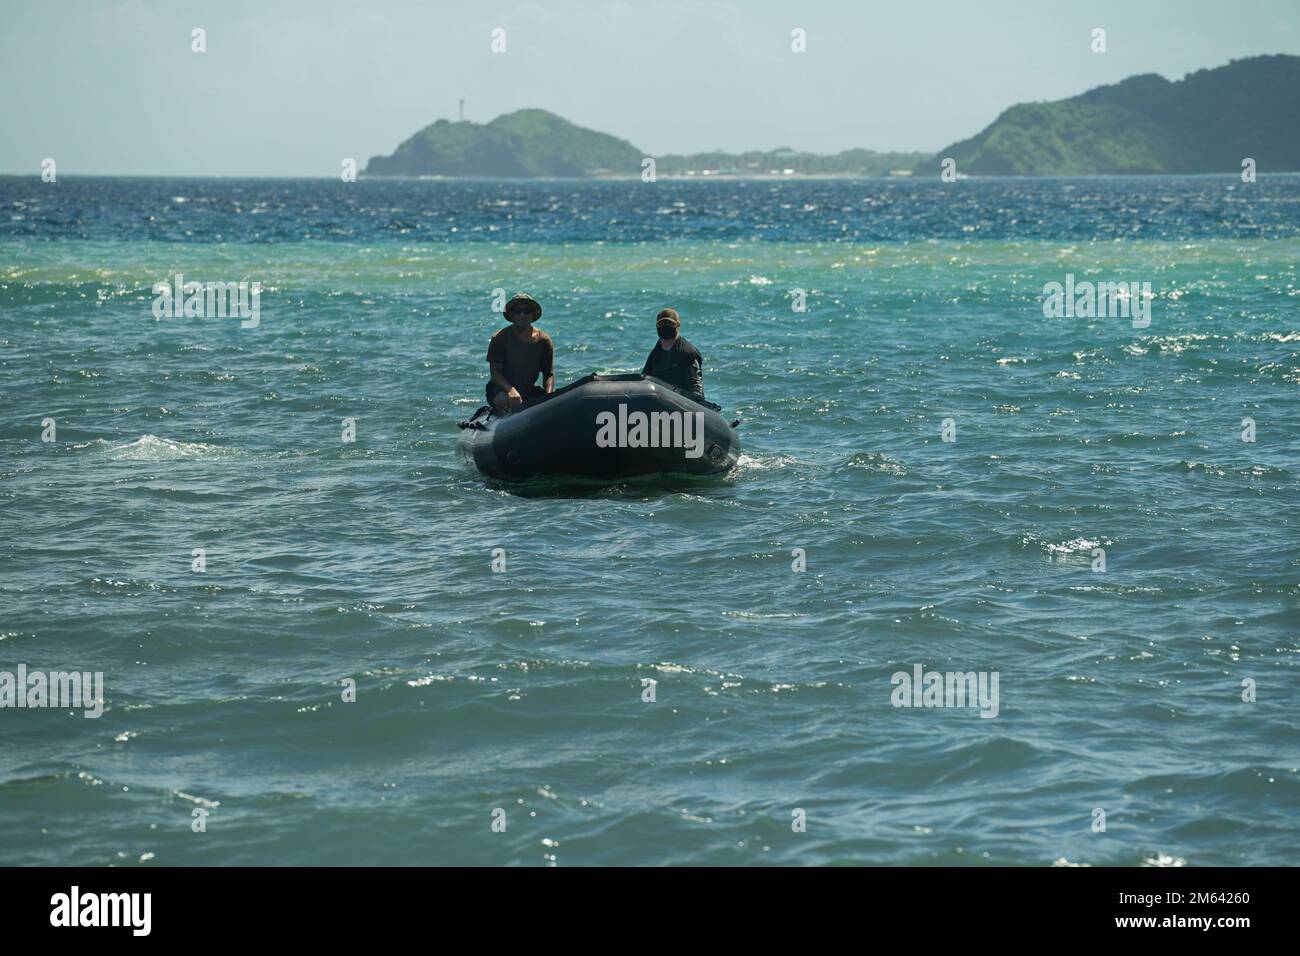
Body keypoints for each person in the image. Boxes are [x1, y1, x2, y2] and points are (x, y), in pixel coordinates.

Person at [486, 293, 554, 412]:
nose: (522, 315)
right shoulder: (500, 338)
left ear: (533, 315)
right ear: (511, 315)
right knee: (503, 399)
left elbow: (548, 374)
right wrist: (511, 390)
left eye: (527, 311)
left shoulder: (544, 340)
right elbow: (495, 372)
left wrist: (549, 397)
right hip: (502, 390)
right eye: (518, 311)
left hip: (529, 390)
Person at [642, 308, 704, 403]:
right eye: (662, 324)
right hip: (660, 405)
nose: (665, 327)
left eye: (669, 324)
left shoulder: (687, 352)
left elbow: (696, 392)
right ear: (657, 326)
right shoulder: (655, 353)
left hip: (681, 407)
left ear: (678, 325)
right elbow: (645, 380)